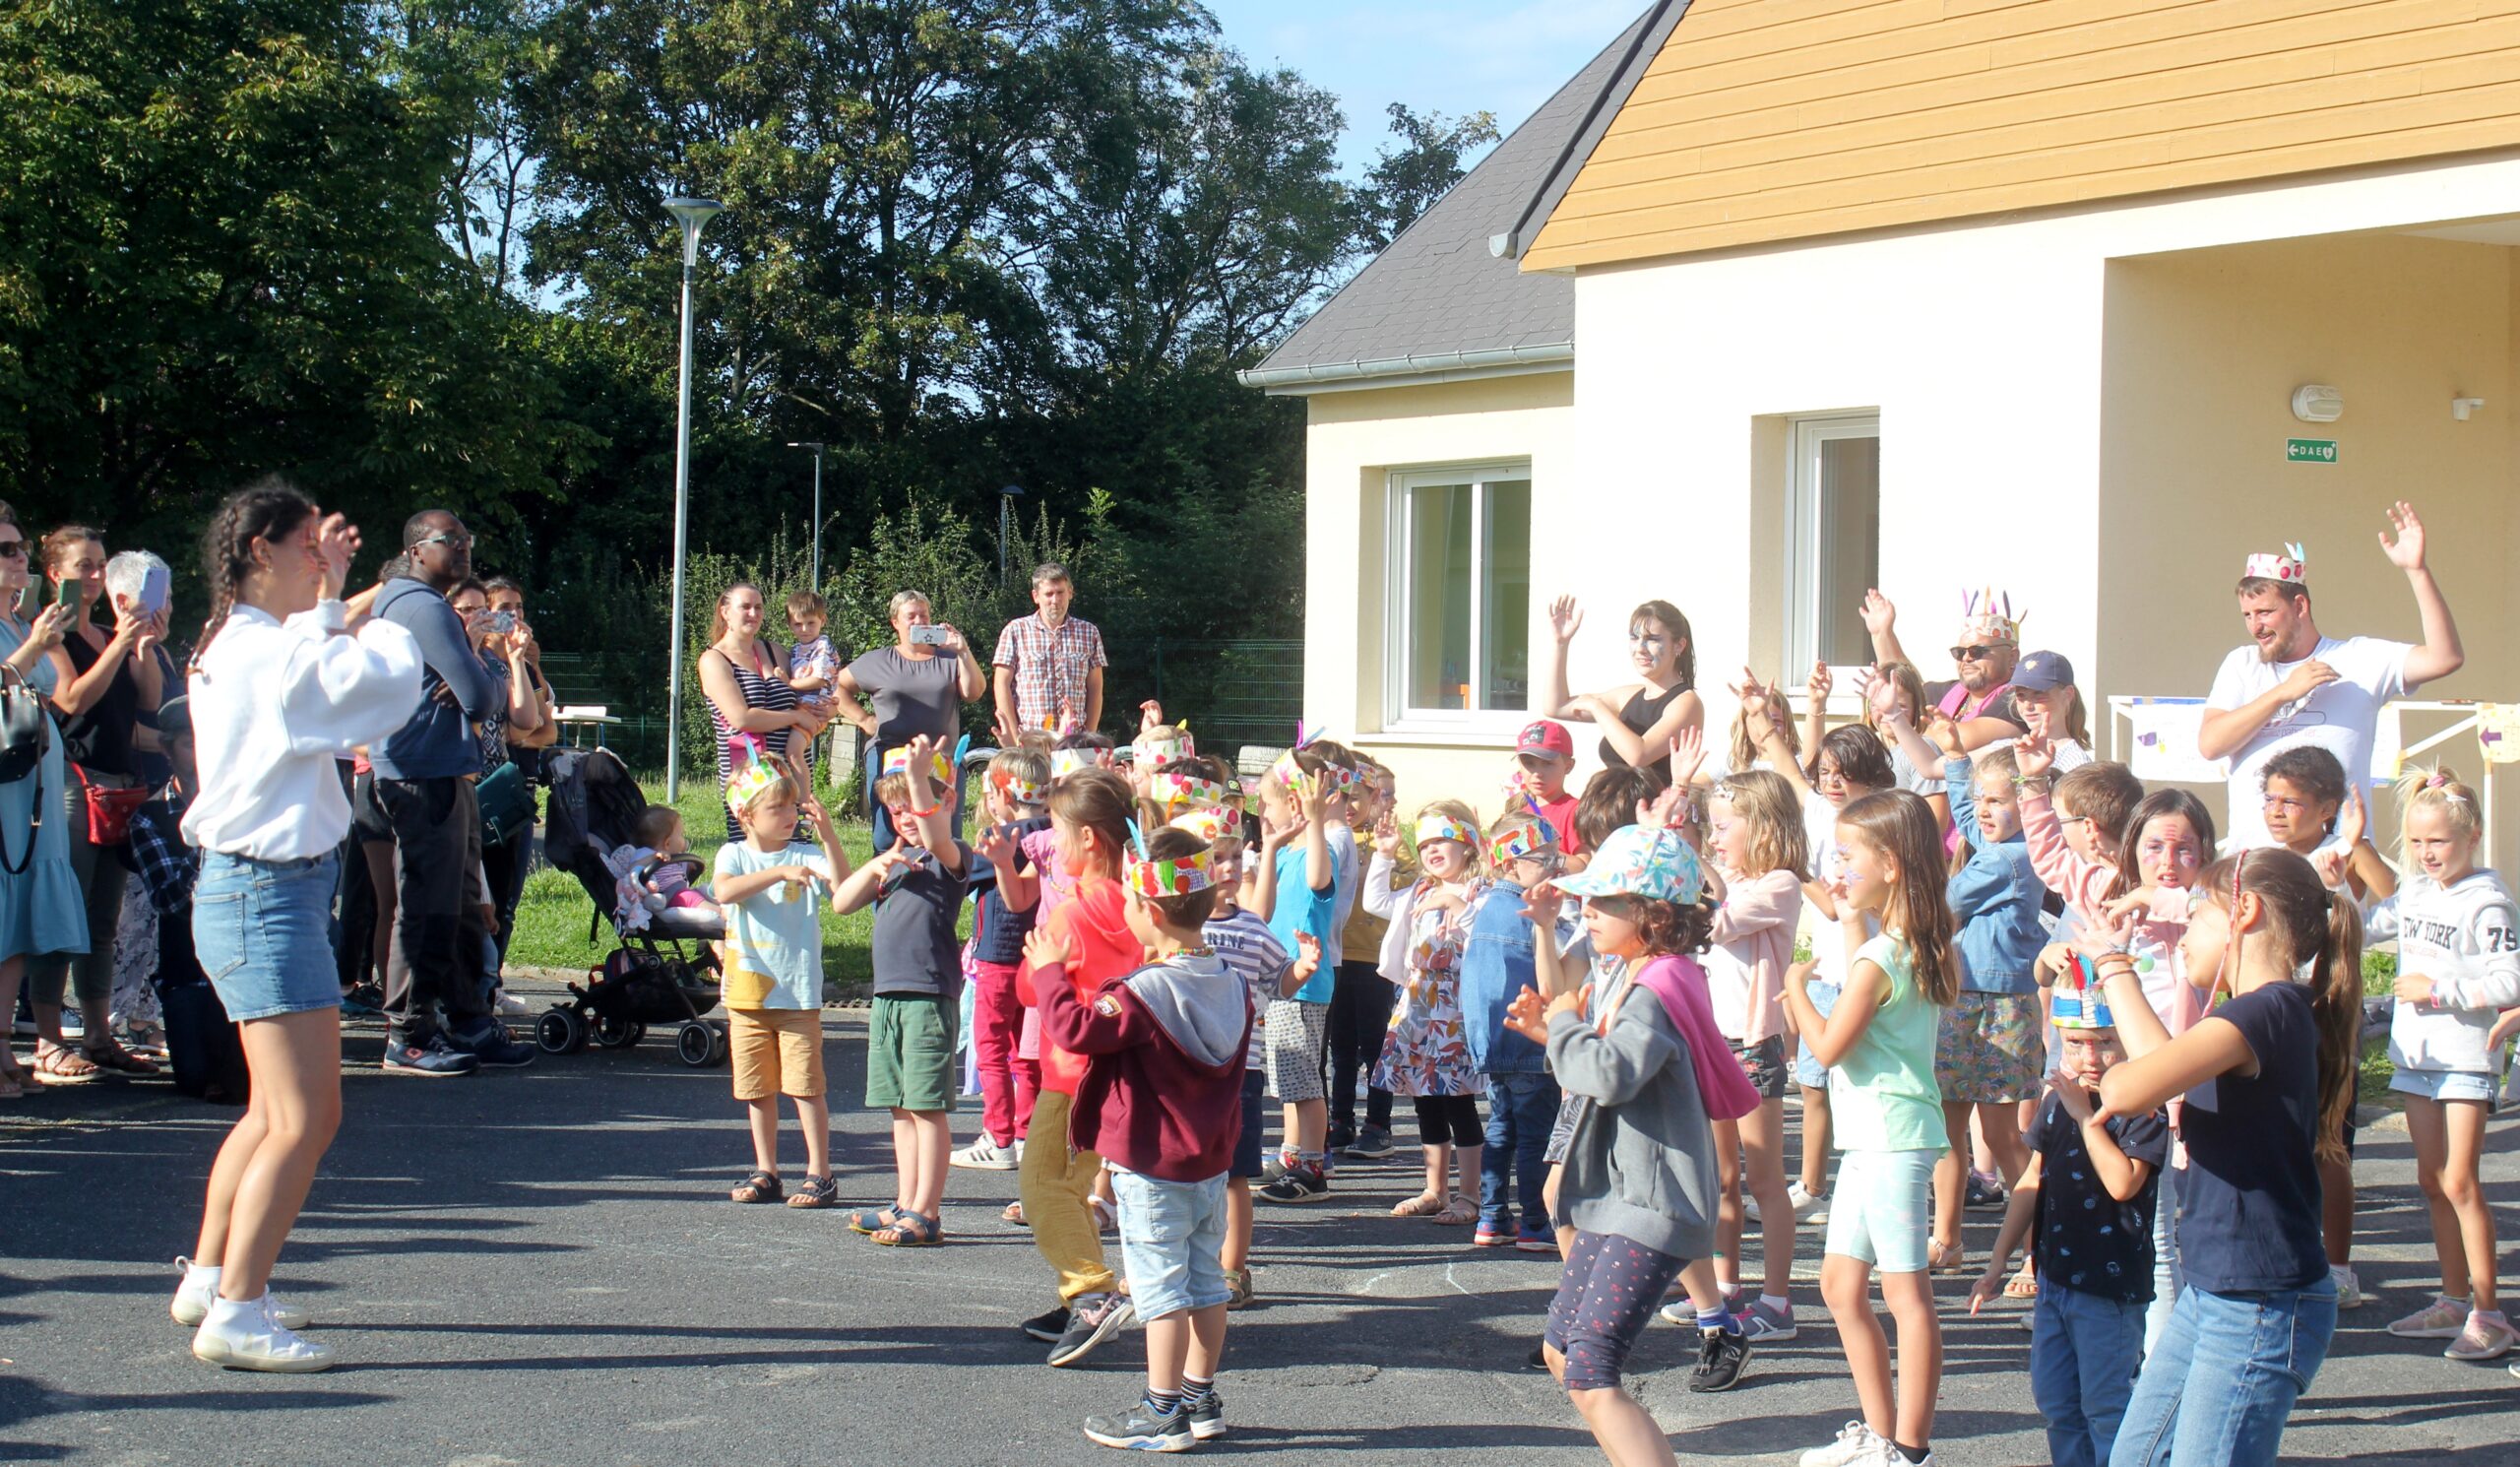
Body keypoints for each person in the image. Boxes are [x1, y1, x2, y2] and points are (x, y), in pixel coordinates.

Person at [173, 480, 423, 1371]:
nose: (323, 557)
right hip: (264, 896)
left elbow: (306, 668)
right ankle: (237, 1311)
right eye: (309, 543)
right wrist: (389, 613)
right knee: (306, 1117)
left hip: (255, 892)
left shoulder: (241, 643)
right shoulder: (265, 657)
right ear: (260, 553)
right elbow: (366, 693)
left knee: (272, 1112)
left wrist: (331, 597)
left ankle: (214, 1278)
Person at [2093, 846, 2361, 1467]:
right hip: (2218, 1291)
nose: (2183, 938)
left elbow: (2133, 1087)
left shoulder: (2264, 1011)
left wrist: (2113, 971)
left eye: (2196, 920)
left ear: (2243, 911)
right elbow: (2163, 1069)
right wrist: (2112, 964)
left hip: (2261, 1303)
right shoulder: (2256, 1013)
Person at [1512, 822, 1757, 1467]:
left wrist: (1562, 1020)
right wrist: (1554, 1034)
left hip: (1651, 1207)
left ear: (1650, 914)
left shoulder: (1656, 990)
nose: (1585, 911)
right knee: (1563, 1351)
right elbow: (1614, 1066)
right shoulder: (1651, 975)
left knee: (1590, 1370)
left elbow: (1610, 1075)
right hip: (1619, 1201)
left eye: (1604, 901)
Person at [1028, 826, 1249, 1451]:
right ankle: (1201, 1396)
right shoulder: (1231, 981)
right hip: (1208, 1164)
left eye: (1129, 902)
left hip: (1154, 1168)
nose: (1125, 912)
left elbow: (1074, 1029)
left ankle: (1163, 1411)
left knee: (1159, 1290)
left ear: (1150, 911)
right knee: (1207, 1282)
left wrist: (1048, 973)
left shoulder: (1140, 994)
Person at [1780, 789, 1957, 1467]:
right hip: (1874, 1140)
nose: (1837, 863)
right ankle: (1881, 1437)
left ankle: (1907, 1450)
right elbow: (1865, 981)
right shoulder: (1909, 944)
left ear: (1889, 862)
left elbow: (1826, 1049)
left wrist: (1796, 987)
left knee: (1905, 1295)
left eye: (1848, 853)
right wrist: (1851, 916)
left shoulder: (1884, 959)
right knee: (1840, 1287)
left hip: (1891, 1142)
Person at [1967, 981, 2168, 1467]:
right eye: (2076, 1042)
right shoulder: (2059, 1102)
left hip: (2110, 1289)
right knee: (2057, 1404)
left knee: (2106, 1408)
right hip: (2055, 1281)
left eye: (2105, 1040)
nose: (2090, 1056)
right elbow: (2033, 1181)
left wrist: (2085, 1117)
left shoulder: (2142, 1109)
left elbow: (2123, 1185)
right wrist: (1998, 1263)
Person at [369, 513, 535, 1076]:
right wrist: (480, 669)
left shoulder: (407, 603)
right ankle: (407, 1034)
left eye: (468, 539)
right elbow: (482, 698)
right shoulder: (420, 605)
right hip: (423, 771)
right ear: (417, 549)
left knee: (463, 906)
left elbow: (468, 688)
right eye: (451, 541)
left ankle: (469, 1020)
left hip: (441, 769)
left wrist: (469, 670)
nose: (464, 548)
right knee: (427, 905)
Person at [2198, 506, 2463, 851]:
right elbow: (2210, 744)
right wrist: (2282, 693)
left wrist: (2417, 571)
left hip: (2338, 866)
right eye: (2247, 615)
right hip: (2256, 866)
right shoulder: (2241, 664)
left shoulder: (2358, 658)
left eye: (2265, 612)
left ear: (2300, 606)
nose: (2255, 626)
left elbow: (2445, 658)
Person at [2370, 767, 2519, 1362]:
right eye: (2417, 841)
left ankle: (2491, 1314)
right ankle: (2453, 1300)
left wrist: (2438, 990)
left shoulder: (2488, 901)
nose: (2426, 853)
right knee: (2432, 1182)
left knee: (2460, 1181)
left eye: (2439, 841)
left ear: (2473, 835)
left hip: (2465, 1058)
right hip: (2416, 1056)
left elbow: (2510, 978)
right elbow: (2360, 923)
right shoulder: (2414, 893)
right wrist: (2332, 890)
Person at [27, 524, 166, 1083]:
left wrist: (144, 646)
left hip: (119, 784)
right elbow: (72, 698)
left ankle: (98, 1034)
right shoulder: (53, 635)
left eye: (100, 565)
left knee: (102, 920)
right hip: (72, 783)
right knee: (64, 915)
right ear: (56, 574)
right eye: (83, 566)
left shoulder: (111, 630)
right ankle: (46, 1040)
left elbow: (150, 699)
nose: (94, 576)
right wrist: (115, 645)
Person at [1012, 767, 1141, 1367]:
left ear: (1088, 838)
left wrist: (1036, 964)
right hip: (1114, 1077)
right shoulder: (1137, 905)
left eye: (1060, 832)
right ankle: (1079, 1300)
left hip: (1069, 1077)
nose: (1053, 843)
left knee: (1040, 1188)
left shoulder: (1070, 914)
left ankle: (1091, 1293)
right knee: (1070, 1186)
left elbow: (1029, 990)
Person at [831, 737, 969, 1247]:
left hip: (928, 996)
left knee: (926, 1107)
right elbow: (843, 903)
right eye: (896, 806)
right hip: (888, 998)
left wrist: (921, 781)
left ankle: (927, 1212)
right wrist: (875, 864)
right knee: (900, 1107)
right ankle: (904, 1201)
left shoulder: (948, 856)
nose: (906, 814)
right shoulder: (892, 861)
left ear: (944, 802)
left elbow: (936, 836)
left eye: (916, 802)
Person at [1697, 765, 1810, 1341]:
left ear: (1762, 827)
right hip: (1711, 1042)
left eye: (1722, 828)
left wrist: (1683, 852)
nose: (1713, 839)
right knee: (1719, 1179)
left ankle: (1778, 1302)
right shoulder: (1733, 881)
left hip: (1750, 1045)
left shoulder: (1779, 884)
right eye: (1709, 829)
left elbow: (1715, 923)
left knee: (1765, 1179)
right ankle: (1725, 1288)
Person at [1924, 734, 2046, 1275]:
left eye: (1999, 800)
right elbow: (1972, 824)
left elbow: (1946, 903)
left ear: (2028, 805)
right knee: (1949, 1126)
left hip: (1999, 1007)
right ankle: (1946, 1241)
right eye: (1983, 798)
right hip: (1964, 998)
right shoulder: (1999, 844)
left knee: (1998, 1134)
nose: (1985, 811)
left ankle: (2036, 1245)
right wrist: (1955, 763)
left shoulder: (2010, 861)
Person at [1190, 805, 1317, 1309]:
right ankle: (1180, 1265)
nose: (1230, 866)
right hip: (1182, 1071)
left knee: (1234, 1173)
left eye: (1235, 855)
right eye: (1216, 857)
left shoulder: (1251, 928)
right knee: (1182, 1174)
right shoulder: (1177, 924)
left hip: (1240, 1070)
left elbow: (1278, 980)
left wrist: (1303, 969)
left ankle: (1232, 1269)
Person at [712, 752, 846, 1210]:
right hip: (746, 997)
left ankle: (820, 1174)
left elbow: (844, 891)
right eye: (778, 809)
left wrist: (828, 839)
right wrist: (779, 872)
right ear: (745, 815)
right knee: (756, 1088)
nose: (790, 816)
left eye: (793, 807)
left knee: (806, 1085)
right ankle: (766, 1170)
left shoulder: (806, 854)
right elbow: (724, 892)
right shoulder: (734, 854)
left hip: (797, 993)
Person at [1361, 801, 1490, 1226]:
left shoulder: (1480, 891)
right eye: (1426, 843)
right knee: (1426, 1101)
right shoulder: (1417, 889)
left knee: (1459, 1102)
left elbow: (1486, 936)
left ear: (1467, 844)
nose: (1433, 850)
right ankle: (1435, 1189)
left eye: (1443, 840)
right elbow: (1376, 900)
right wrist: (1383, 854)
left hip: (1455, 1009)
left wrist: (1456, 903)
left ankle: (1470, 1195)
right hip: (1417, 1006)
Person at [0, 502, 83, 1099]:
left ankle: (3, 1045)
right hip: (5, 792)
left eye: (20, 546)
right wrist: (35, 645)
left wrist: (40, 637)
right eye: (6, 550)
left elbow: (60, 696)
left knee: (18, 928)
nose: (19, 557)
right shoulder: (19, 633)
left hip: (32, 789)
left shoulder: (14, 619)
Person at [1462, 808, 1566, 1252]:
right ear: (1510, 863)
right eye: (1543, 859)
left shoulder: (1485, 907)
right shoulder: (1526, 913)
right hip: (1528, 1041)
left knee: (1502, 1127)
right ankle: (1536, 1223)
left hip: (1493, 1042)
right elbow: (1550, 977)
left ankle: (1492, 1216)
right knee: (1534, 1134)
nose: (1555, 866)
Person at [1250, 746, 1348, 1204]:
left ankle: (1312, 1167)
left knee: (1304, 1080)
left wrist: (1312, 818)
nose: (1261, 812)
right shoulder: (1286, 854)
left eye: (1267, 803)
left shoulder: (1318, 849)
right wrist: (1269, 846)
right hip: (1279, 981)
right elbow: (1260, 909)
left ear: (1293, 803)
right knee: (1288, 1078)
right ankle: (1293, 1155)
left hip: (1305, 985)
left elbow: (1316, 881)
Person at [955, 746, 1053, 1172]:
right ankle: (1025, 1132)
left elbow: (958, 869)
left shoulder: (1000, 839)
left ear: (1003, 796)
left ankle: (998, 1136)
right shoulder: (1051, 831)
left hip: (997, 958)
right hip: (1034, 958)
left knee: (991, 1049)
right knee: (1024, 1054)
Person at [828, 589, 984, 849]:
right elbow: (837, 686)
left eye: (924, 615)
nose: (919, 621)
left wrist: (963, 651)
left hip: (941, 759)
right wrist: (864, 719)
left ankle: (943, 887)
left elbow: (974, 693)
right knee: (889, 836)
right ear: (895, 623)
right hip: (890, 758)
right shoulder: (878, 661)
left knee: (945, 837)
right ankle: (890, 886)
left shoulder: (949, 657)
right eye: (911, 616)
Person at [447, 577, 545, 972]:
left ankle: (491, 982)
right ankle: (465, 987)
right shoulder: (453, 658)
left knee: (503, 897)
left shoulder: (498, 665)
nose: (513, 618)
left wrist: (519, 660)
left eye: (518, 609)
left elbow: (529, 719)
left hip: (500, 791)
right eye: (502, 610)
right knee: (468, 898)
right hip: (463, 789)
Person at [699, 582, 823, 841]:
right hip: (751, 775)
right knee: (755, 859)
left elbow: (809, 690)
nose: (754, 614)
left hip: (793, 776)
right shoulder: (714, 660)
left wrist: (822, 711)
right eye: (745, 607)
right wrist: (796, 717)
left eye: (758, 607)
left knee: (798, 856)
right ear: (725, 612)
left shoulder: (775, 651)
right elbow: (741, 718)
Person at [1539, 596, 1705, 784]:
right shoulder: (1629, 695)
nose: (1640, 648)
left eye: (1652, 639)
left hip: (1654, 811)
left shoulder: (1686, 702)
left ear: (1679, 645)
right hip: (1613, 809)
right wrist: (1560, 644)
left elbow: (1638, 756)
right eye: (1634, 638)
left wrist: (1598, 708)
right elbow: (1556, 706)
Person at [1858, 587, 2029, 751]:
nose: (1966, 658)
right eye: (1959, 652)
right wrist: (1882, 634)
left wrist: (1897, 718)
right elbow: (1906, 684)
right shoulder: (1951, 691)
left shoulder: (2020, 700)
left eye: (1977, 651)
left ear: (2012, 657)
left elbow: (1959, 739)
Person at [992, 562, 1105, 738]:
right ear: (1036, 596)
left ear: (1070, 592)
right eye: (1049, 594)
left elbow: (1095, 688)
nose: (1055, 600)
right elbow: (1001, 684)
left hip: (1074, 740)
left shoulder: (1089, 632)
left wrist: (1089, 736)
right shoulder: (1016, 630)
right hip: (1032, 739)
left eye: (1060, 592)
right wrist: (1014, 737)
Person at [1511, 719, 1585, 856]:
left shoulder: (1574, 811)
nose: (1537, 773)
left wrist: (1541, 850)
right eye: (1529, 763)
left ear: (1568, 766)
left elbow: (1584, 865)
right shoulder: (1521, 814)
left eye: (1547, 763)